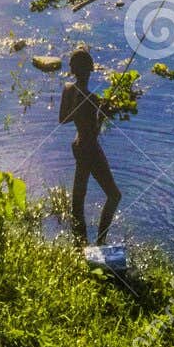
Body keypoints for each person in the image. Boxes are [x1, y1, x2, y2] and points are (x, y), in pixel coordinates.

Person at [59, 44, 121, 245]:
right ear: (89, 71)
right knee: (114, 195)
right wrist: (102, 114)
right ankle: (100, 243)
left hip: (77, 146)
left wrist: (83, 110)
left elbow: (62, 119)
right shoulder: (93, 98)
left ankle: (80, 243)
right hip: (90, 148)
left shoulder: (68, 89)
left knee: (79, 197)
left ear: (73, 70)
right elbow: (94, 131)